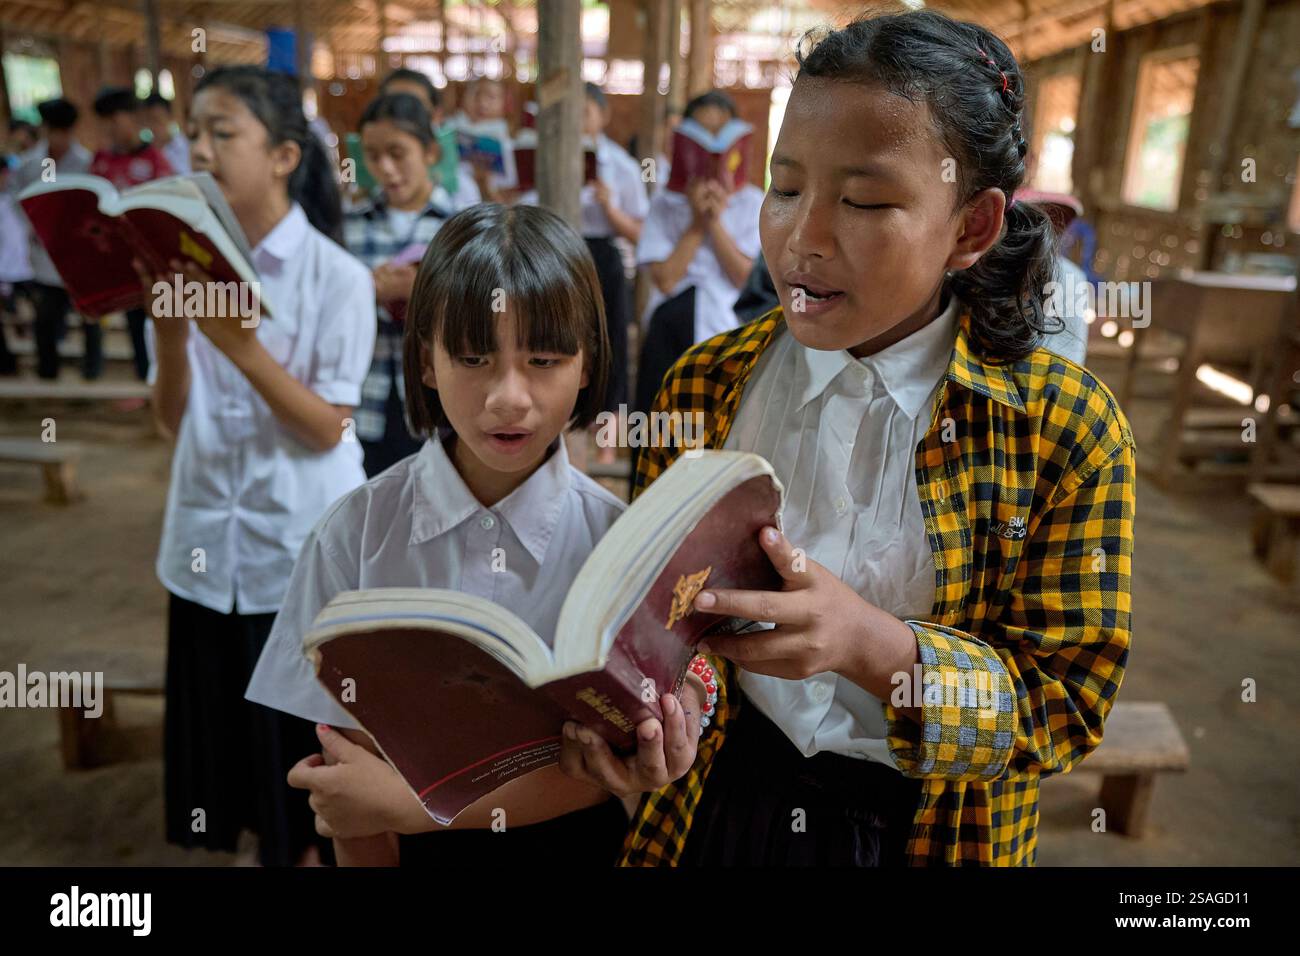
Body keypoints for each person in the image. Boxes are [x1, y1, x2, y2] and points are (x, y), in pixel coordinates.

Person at [561, 10, 1135, 867]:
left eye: (864, 200)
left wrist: (876, 648)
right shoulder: (707, 388)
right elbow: (669, 632)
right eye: (786, 187)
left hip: (928, 830)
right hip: (718, 811)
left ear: (972, 228)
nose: (803, 237)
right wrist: (670, 716)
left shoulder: (1061, 432)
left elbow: (1065, 704)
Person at [244, 204, 677, 867]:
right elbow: (347, 779)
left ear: (587, 365)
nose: (508, 396)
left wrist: (407, 806)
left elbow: (618, 774)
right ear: (425, 362)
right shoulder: (355, 535)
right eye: (473, 357)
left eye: (543, 358)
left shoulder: (622, 547)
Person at [137, 64, 376, 867]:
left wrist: (239, 348)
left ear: (281, 156)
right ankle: (245, 844)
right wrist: (173, 336)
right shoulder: (180, 263)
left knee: (296, 751)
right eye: (192, 133)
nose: (199, 149)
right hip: (207, 544)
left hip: (294, 554)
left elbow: (326, 429)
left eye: (221, 133)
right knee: (226, 750)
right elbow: (171, 419)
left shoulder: (335, 279)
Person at [633, 90, 763, 418]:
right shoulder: (664, 203)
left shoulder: (752, 202)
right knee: (660, 428)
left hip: (731, 329)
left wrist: (714, 222)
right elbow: (664, 280)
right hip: (670, 329)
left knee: (721, 428)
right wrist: (694, 223)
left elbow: (745, 278)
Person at [344, 93, 452, 476]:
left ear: (430, 152)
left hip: (438, 399)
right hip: (365, 396)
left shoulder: (458, 227)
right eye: (373, 156)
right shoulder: (350, 224)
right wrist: (366, 293)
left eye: (397, 153)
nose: (386, 168)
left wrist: (423, 294)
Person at [91, 86, 174, 382]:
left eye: (115, 121)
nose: (110, 130)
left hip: (155, 261)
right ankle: (144, 381)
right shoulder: (101, 161)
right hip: (122, 260)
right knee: (135, 324)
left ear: (132, 119)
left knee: (163, 323)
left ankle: (166, 382)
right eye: (105, 123)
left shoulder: (155, 161)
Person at [9, 98, 94, 380]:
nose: (57, 138)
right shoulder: (31, 165)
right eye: (52, 131)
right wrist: (31, 226)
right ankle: (48, 371)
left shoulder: (85, 163)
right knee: (45, 318)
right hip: (44, 255)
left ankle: (92, 371)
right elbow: (16, 199)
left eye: (63, 131)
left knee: (90, 316)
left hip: (79, 254)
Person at [378, 67, 483, 213]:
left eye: (414, 108)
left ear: (436, 115)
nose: (402, 117)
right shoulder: (365, 185)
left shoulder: (462, 188)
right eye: (392, 108)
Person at [142, 92, 191, 175]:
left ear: (170, 118)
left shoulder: (187, 148)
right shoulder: (144, 153)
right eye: (148, 121)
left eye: (157, 120)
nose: (153, 127)